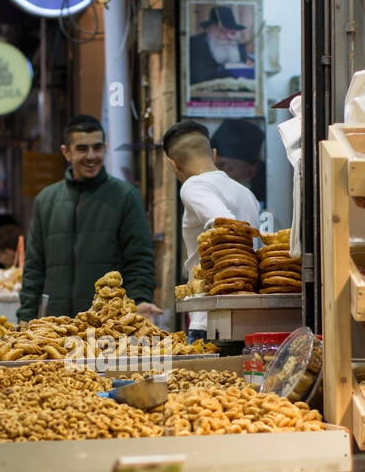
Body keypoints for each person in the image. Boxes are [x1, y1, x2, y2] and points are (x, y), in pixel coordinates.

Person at [19, 115, 157, 321]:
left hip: (108, 323)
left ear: (105, 148)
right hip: (56, 325)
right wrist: (26, 317)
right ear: (66, 152)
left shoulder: (125, 196)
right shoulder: (46, 201)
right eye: (82, 149)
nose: (91, 156)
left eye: (98, 148)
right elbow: (34, 268)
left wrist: (139, 302)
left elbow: (139, 260)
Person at [162, 120, 260, 339]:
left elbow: (224, 224)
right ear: (213, 154)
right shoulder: (245, 193)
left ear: (173, 164)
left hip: (211, 321)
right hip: (249, 316)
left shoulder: (193, 186)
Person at [189, 6, 254, 87]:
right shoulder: (194, 44)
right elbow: (195, 77)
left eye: (232, 33)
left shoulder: (240, 48)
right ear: (210, 30)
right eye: (222, 32)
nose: (229, 37)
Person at [212, 118, 267, 204]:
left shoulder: (267, 199)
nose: (216, 174)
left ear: (250, 173)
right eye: (212, 165)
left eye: (225, 167)